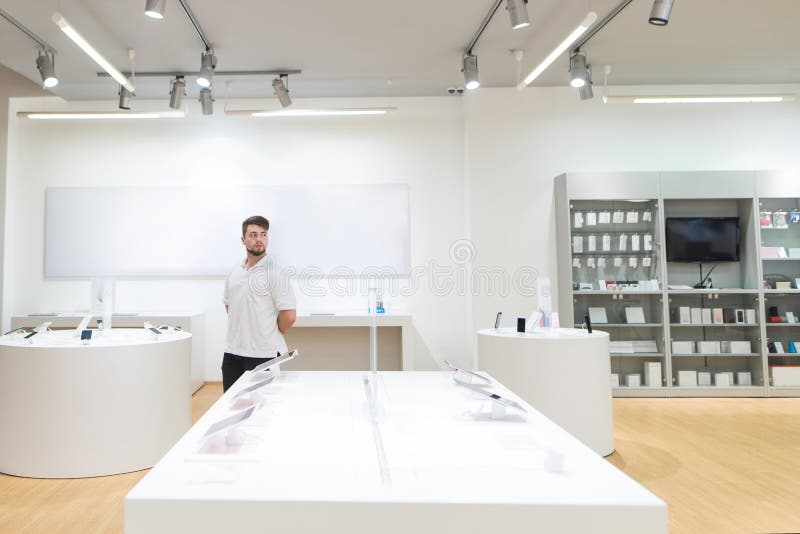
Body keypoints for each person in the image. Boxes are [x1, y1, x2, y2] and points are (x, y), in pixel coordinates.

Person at [222, 215, 296, 391]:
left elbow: (289, 316)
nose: (259, 240)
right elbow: (229, 306)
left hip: (264, 353)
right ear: (243, 240)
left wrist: (269, 329)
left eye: (263, 235)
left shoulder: (276, 272)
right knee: (231, 403)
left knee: (263, 405)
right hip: (233, 352)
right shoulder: (235, 271)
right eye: (253, 235)